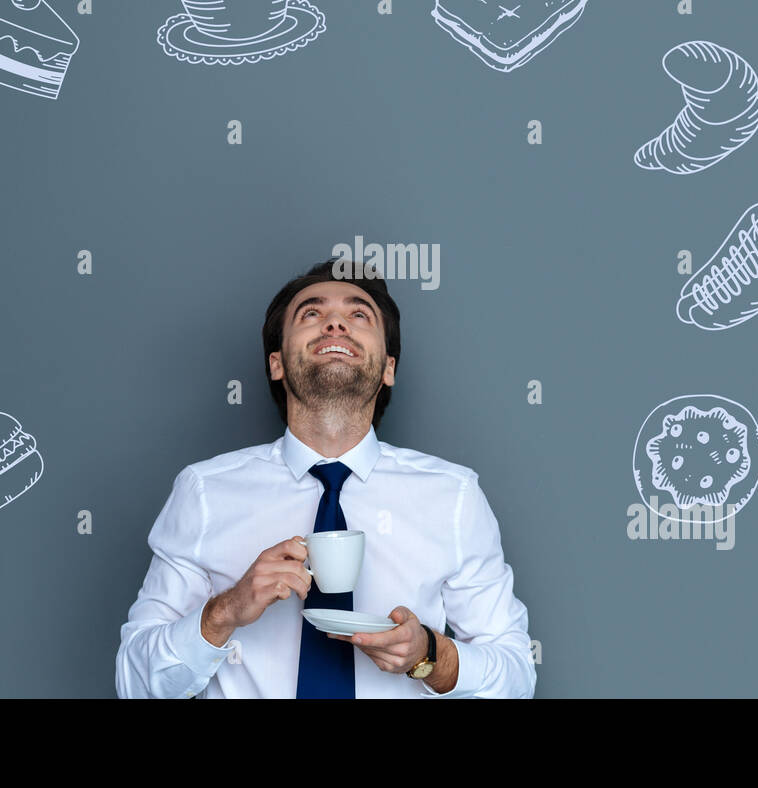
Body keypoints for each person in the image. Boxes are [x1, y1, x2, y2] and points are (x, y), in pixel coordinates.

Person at [115, 259, 535, 698]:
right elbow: (135, 684)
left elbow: (517, 678)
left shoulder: (454, 496)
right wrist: (224, 612)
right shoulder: (204, 492)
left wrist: (431, 655)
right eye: (311, 314)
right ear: (276, 363)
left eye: (359, 315)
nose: (335, 323)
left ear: (388, 367)